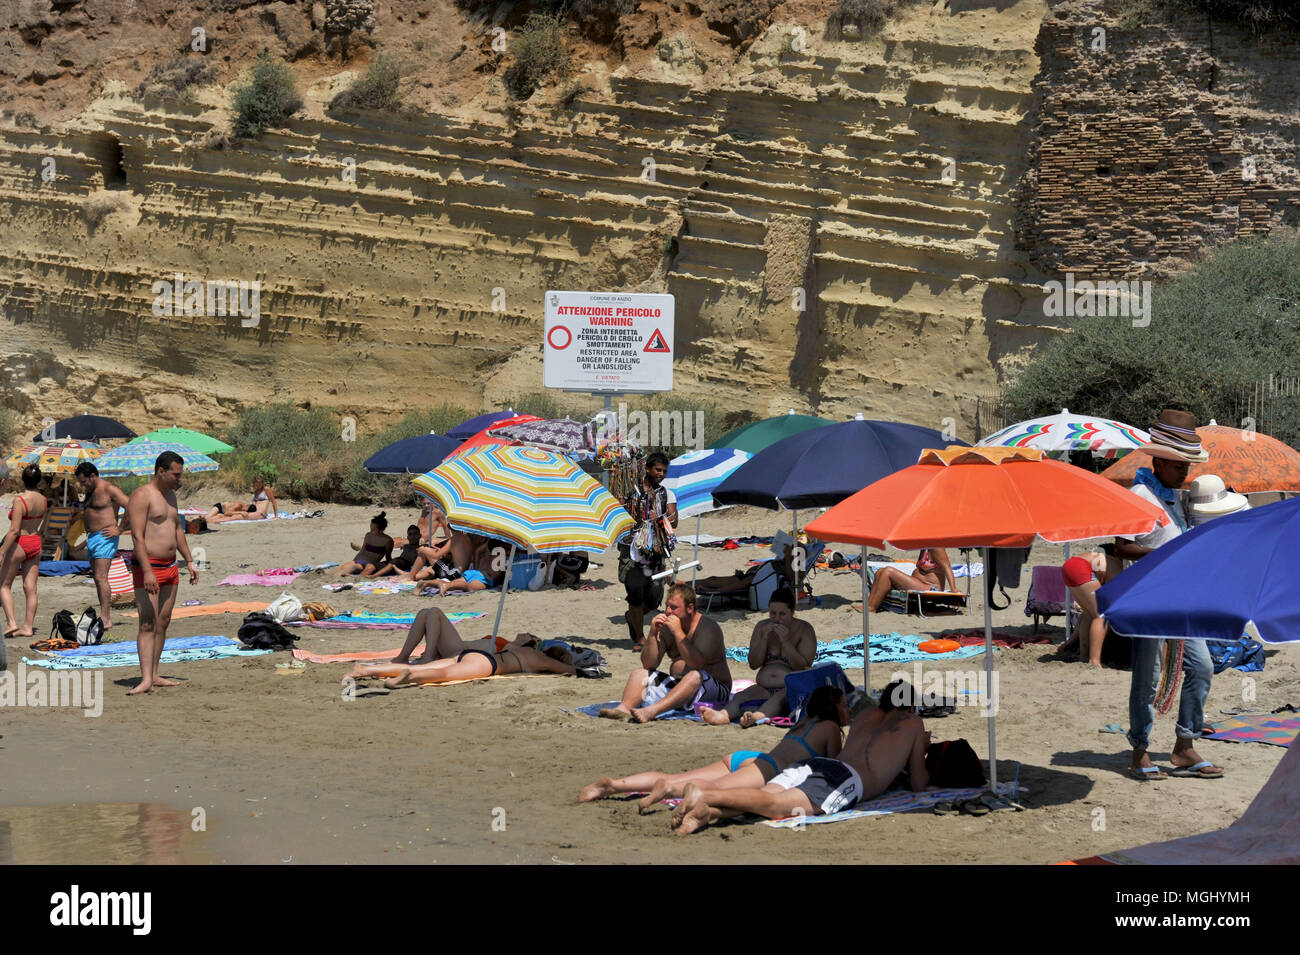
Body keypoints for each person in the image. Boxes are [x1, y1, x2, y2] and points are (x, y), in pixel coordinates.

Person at [671, 680, 931, 834]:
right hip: (844, 779)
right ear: (909, 706)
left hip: (820, 765)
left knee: (763, 802)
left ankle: (706, 812)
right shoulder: (913, 723)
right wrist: (921, 747)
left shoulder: (865, 715)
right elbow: (919, 784)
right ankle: (705, 795)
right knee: (776, 808)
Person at [1114, 409, 1222, 781]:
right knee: (1148, 674)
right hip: (1147, 598)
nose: (1185, 473)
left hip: (1179, 597)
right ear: (1160, 461)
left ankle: (1184, 745)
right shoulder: (1139, 494)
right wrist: (1165, 555)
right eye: (1180, 466)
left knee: (1202, 666)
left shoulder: (1174, 498)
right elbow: (1122, 548)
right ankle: (1140, 750)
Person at [580, 686, 850, 809]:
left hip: (750, 759)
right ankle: (668, 791)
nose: (848, 709)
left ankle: (615, 784)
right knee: (716, 789)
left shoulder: (803, 722)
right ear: (833, 707)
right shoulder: (828, 728)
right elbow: (835, 770)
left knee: (677, 776)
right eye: (844, 705)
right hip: (766, 769)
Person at [599, 583, 731, 723]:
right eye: (667, 606)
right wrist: (652, 633)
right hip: (681, 686)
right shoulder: (668, 627)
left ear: (690, 608)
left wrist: (678, 632)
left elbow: (697, 664)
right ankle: (623, 709)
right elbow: (649, 664)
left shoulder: (707, 629)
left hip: (715, 690)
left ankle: (651, 712)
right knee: (639, 674)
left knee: (694, 676)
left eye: (674, 607)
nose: (668, 611)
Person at [125, 451, 199, 695]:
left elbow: (177, 528)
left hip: (170, 567)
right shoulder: (141, 495)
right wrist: (146, 571)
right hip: (149, 568)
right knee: (147, 622)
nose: (180, 480)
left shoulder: (171, 496)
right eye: (176, 475)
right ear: (161, 471)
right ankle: (145, 679)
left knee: (163, 621)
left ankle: (155, 674)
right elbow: (136, 535)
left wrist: (189, 560)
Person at [701, 587, 816, 725]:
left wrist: (786, 642)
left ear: (792, 612)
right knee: (741, 696)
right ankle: (723, 715)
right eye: (772, 614)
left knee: (778, 698)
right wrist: (763, 639)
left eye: (782, 614)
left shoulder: (804, 629)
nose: (776, 619)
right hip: (763, 686)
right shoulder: (762, 627)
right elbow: (753, 664)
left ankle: (755, 717)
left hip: (790, 687)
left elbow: (803, 666)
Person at [345, 632, 576, 687]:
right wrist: (572, 664)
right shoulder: (539, 659)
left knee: (429, 665)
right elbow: (568, 670)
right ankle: (411, 676)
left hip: (478, 655)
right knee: (444, 675)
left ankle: (364, 670)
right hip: (488, 665)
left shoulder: (520, 648)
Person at [619, 452, 678, 649]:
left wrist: (659, 517)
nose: (661, 474)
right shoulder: (632, 492)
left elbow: (674, 520)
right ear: (648, 469)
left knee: (654, 598)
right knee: (635, 595)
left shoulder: (666, 494)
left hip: (655, 551)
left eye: (664, 471)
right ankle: (639, 638)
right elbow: (620, 514)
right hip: (633, 551)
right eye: (658, 470)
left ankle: (632, 617)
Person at [74, 461, 130, 630]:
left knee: (100, 577)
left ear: (93, 476)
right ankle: (104, 616)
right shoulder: (90, 491)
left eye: (84, 481)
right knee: (97, 578)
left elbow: (131, 505)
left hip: (106, 536)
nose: (83, 485)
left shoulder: (109, 489)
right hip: (92, 538)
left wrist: (119, 529)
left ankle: (106, 618)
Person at [1, 464, 48, 640]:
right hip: (36, 541)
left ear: (23, 480)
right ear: (39, 481)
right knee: (31, 588)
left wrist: (2, 551)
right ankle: (28, 627)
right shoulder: (43, 499)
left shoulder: (20, 500)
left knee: (4, 584)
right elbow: (43, 525)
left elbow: (14, 530)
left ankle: (11, 622)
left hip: (21, 541)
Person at [1058, 552, 1118, 667]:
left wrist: (1070, 641)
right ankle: (1094, 661)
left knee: (1089, 614)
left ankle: (1084, 657)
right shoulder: (1124, 574)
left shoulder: (1111, 562)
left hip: (1070, 565)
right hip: (1081, 568)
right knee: (1102, 615)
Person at [866, 547, 958, 612]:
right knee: (880, 571)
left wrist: (953, 588)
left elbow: (947, 566)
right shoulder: (925, 546)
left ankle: (872, 608)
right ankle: (869, 604)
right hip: (919, 582)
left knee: (888, 572)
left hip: (930, 587)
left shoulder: (936, 547)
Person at [389, 606, 492, 664]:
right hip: (451, 650)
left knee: (435, 612)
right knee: (424, 613)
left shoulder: (502, 645)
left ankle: (427, 657)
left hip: (460, 652)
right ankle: (403, 657)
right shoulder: (496, 643)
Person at [338, 512, 394, 576]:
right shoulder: (368, 535)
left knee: (353, 567)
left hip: (368, 564)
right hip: (358, 560)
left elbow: (388, 556)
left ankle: (342, 575)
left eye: (373, 530)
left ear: (381, 530)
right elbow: (362, 551)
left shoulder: (388, 541)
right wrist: (354, 561)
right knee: (342, 567)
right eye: (370, 528)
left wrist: (391, 567)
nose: (370, 531)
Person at [205, 476, 277, 524]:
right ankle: (209, 520)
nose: (257, 486)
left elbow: (273, 501)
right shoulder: (256, 492)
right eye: (256, 484)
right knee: (232, 517)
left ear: (262, 483)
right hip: (254, 512)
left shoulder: (266, 489)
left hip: (260, 513)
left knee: (235, 518)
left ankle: (211, 521)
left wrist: (276, 516)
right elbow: (254, 503)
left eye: (259, 484)